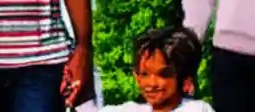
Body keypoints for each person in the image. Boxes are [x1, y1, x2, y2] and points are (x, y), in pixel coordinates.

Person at [77, 26, 211, 112]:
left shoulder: (197, 109)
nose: (152, 83)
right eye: (144, 74)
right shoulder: (129, 110)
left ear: (185, 78)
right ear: (136, 75)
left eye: (163, 75)